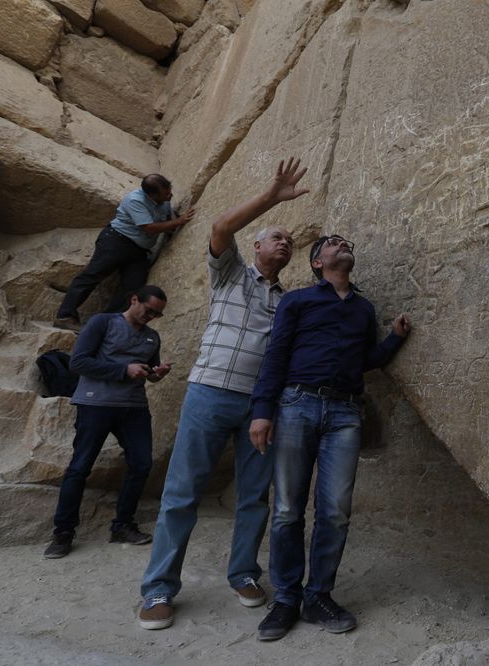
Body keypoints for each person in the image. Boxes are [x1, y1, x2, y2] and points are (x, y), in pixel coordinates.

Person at [137, 158, 309, 631]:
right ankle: (157, 588)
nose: (285, 243)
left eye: (290, 242)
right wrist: (271, 196)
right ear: (256, 246)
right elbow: (219, 227)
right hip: (210, 392)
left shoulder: (288, 302)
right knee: (181, 494)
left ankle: (244, 573)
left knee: (255, 496)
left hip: (259, 407)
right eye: (277, 237)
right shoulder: (231, 273)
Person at [250, 233, 411, 641]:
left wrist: (394, 338)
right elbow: (276, 355)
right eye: (332, 243)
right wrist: (262, 411)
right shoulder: (297, 301)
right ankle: (286, 597)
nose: (342, 244)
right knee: (287, 508)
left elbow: (366, 360)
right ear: (317, 263)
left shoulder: (363, 309)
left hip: (345, 413)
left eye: (345, 242)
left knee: (336, 511)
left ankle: (318, 596)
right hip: (296, 404)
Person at [44, 285, 172, 559]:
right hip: (95, 404)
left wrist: (156, 374)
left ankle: (122, 526)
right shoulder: (103, 322)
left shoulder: (152, 337)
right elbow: (78, 363)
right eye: (148, 310)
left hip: (134, 407)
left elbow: (147, 372)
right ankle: (63, 533)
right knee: (80, 467)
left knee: (141, 464)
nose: (151, 316)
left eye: (157, 314)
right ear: (134, 299)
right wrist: (123, 370)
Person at [53, 175, 195, 331]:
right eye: (166, 194)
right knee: (93, 275)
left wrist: (174, 222)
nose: (170, 196)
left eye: (170, 191)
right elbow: (148, 227)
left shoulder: (164, 202)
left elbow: (167, 220)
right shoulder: (135, 200)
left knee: (133, 288)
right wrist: (178, 221)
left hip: (139, 250)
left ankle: (106, 325)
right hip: (116, 241)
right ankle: (65, 316)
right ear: (151, 195)